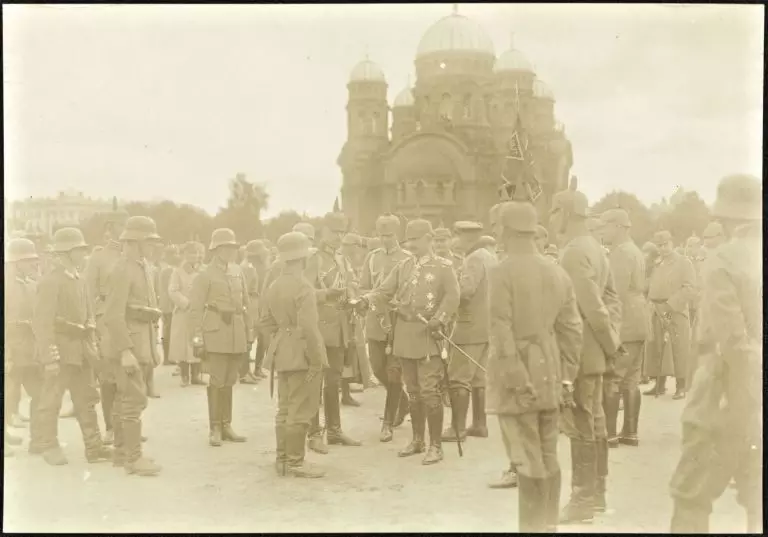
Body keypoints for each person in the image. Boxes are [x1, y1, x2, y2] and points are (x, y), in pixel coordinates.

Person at [669, 174, 762, 533]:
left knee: (690, 496)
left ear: (727, 217)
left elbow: (731, 342)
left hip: (725, 396)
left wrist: (741, 397)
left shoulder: (724, 258)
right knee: (757, 500)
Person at [488, 201, 583, 532]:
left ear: (509, 231)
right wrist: (567, 379)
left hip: (521, 373)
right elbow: (573, 330)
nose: (496, 233)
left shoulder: (502, 271)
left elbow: (501, 331)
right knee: (548, 454)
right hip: (552, 372)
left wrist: (516, 380)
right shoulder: (557, 271)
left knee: (527, 459)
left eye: (498, 227)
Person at [549, 184, 622, 524]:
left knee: (580, 424)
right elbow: (611, 300)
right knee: (594, 421)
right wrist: (610, 343)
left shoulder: (573, 252)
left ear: (565, 213)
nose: (550, 218)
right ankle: (597, 496)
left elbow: (591, 305)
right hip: (593, 351)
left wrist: (610, 345)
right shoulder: (595, 247)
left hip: (578, 351)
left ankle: (581, 502)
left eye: (553, 211)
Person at [360, 219, 459, 465]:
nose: (412, 245)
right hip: (404, 335)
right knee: (413, 391)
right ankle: (417, 440)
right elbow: (383, 292)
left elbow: (453, 296)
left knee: (429, 391)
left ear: (429, 238)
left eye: (416, 240)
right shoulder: (403, 267)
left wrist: (440, 319)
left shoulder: (444, 267)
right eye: (409, 240)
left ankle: (435, 446)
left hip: (428, 336)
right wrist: (365, 301)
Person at [33, 227, 112, 466]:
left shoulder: (80, 279)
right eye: (79, 250)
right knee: (51, 401)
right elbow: (42, 323)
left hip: (82, 351)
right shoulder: (50, 282)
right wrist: (49, 357)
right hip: (61, 350)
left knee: (86, 400)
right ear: (66, 253)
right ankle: (49, 445)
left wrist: (92, 341)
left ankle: (94, 447)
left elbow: (89, 314)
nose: (84, 254)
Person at [260, 231, 329, 478]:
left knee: (285, 407)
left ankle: (282, 460)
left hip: (282, 352)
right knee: (301, 408)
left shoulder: (273, 285)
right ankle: (296, 462)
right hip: (303, 355)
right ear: (303, 259)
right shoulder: (304, 287)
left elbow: (265, 322)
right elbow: (309, 328)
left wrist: (281, 342)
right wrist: (317, 360)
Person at [103, 216, 164, 476]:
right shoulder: (123, 269)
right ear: (137, 243)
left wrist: (153, 346)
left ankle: (120, 452)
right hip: (127, 346)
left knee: (124, 399)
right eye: (149, 242)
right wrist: (126, 351)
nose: (153, 247)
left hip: (139, 343)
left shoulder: (141, 267)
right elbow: (113, 315)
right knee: (132, 400)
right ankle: (133, 458)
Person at [189, 228, 252, 447]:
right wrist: (197, 339)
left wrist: (249, 330)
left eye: (232, 248)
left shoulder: (237, 271)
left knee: (229, 380)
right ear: (216, 249)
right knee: (216, 380)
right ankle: (215, 427)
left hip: (236, 331)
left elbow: (246, 303)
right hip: (215, 332)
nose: (230, 252)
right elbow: (195, 309)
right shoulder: (205, 275)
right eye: (225, 248)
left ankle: (226, 425)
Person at [305, 212, 361, 453]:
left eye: (341, 233)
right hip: (318, 326)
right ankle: (313, 434)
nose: (338, 237)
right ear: (322, 231)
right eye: (334, 232)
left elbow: (349, 285)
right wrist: (326, 295)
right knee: (315, 381)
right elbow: (304, 294)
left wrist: (352, 297)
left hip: (338, 326)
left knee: (334, 381)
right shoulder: (312, 259)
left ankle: (334, 431)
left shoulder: (341, 259)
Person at [441, 221, 496, 443]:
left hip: (469, 326)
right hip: (486, 326)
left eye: (457, 235)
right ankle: (480, 424)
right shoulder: (489, 256)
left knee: (458, 378)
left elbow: (465, 292)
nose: (455, 240)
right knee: (478, 378)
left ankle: (457, 428)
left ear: (465, 237)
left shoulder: (473, 259)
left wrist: (447, 288)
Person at [359, 214, 412, 443]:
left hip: (398, 321)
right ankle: (404, 402)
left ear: (397, 234)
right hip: (375, 320)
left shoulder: (408, 258)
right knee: (377, 368)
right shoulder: (372, 258)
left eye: (389, 235)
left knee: (393, 373)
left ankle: (388, 422)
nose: (385, 239)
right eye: (382, 235)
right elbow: (363, 287)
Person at [599, 209, 648, 447]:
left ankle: (608, 434)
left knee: (613, 378)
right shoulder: (635, 250)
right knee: (631, 379)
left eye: (605, 226)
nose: (602, 231)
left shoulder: (620, 253)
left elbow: (613, 292)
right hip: (638, 320)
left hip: (624, 321)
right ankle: (630, 432)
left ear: (617, 227)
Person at [84, 209, 128, 446]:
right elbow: (89, 294)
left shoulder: (131, 256)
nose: (124, 230)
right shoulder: (98, 258)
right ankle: (111, 427)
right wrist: (94, 327)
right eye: (121, 226)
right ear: (110, 229)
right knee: (109, 378)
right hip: (105, 323)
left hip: (127, 323)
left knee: (129, 377)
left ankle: (127, 425)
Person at [644, 230, 696, 399]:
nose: (663, 248)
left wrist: (670, 305)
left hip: (675, 309)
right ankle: (659, 384)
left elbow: (689, 288)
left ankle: (681, 386)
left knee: (679, 346)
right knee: (658, 346)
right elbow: (651, 284)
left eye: (666, 244)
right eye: (659, 246)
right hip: (657, 309)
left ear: (672, 243)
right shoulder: (657, 263)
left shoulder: (683, 263)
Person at [4, 238, 42, 456]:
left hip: (29, 352)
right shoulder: (7, 285)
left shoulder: (30, 283)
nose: (33, 264)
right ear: (16, 263)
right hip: (11, 352)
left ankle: (38, 439)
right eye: (28, 260)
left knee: (38, 394)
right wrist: (7, 355)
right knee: (7, 397)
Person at [168, 242, 205, 386]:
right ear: (184, 255)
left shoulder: (203, 271)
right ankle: (184, 376)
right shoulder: (177, 272)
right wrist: (186, 303)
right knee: (183, 346)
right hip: (184, 313)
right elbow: (172, 291)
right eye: (190, 253)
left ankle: (196, 375)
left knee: (197, 342)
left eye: (195, 253)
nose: (193, 256)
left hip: (199, 313)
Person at [239, 240, 269, 385]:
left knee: (261, 338)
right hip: (252, 303)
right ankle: (245, 372)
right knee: (248, 338)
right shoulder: (248, 267)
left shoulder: (260, 267)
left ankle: (255, 369)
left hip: (258, 303)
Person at [159, 245, 180, 366]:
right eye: (175, 253)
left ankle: (169, 357)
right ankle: (168, 357)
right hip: (169, 305)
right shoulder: (169, 270)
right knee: (168, 331)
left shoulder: (166, 269)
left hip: (166, 304)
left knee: (168, 331)